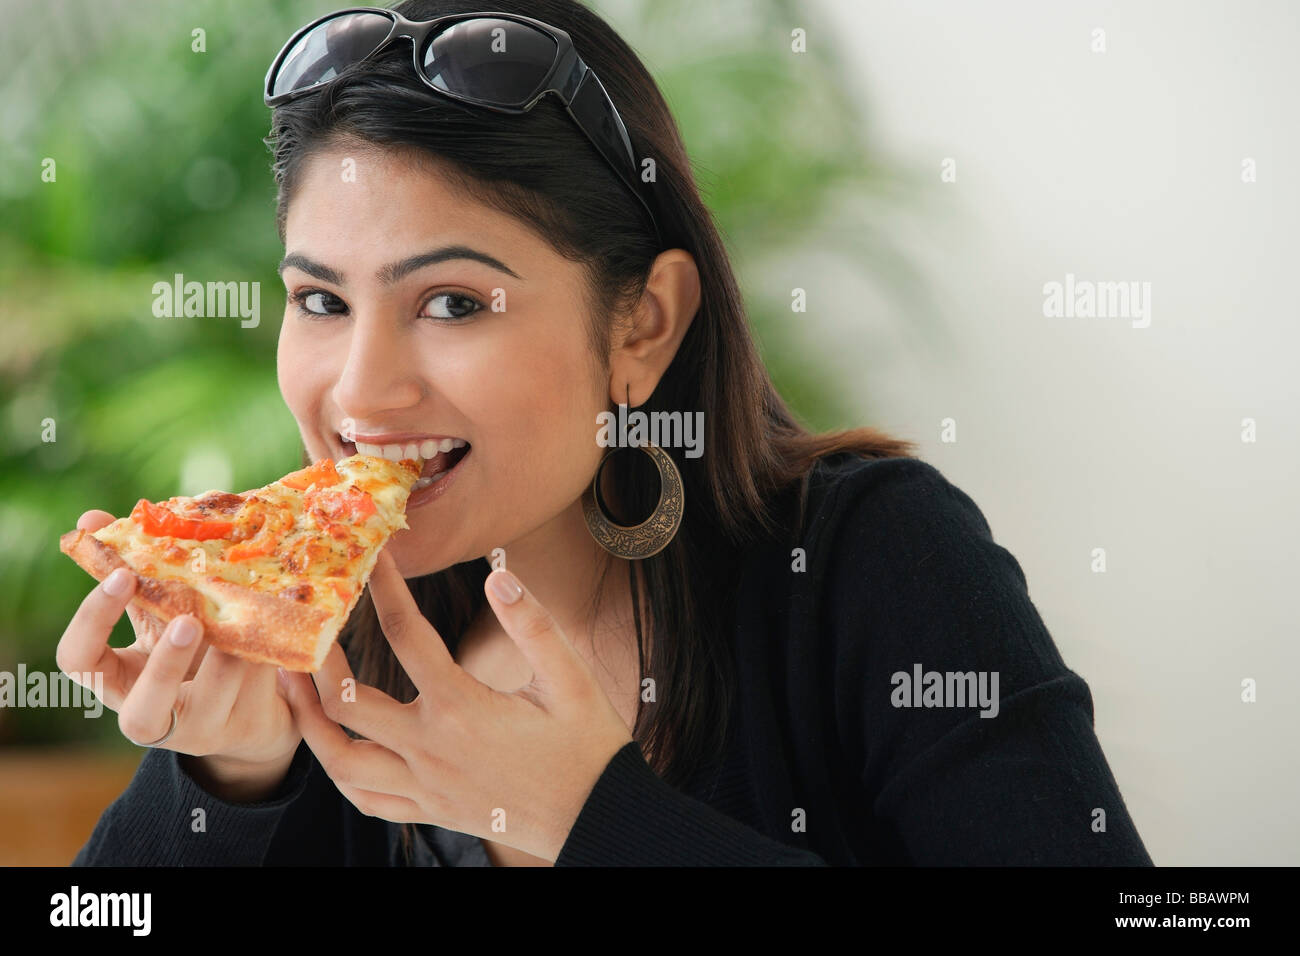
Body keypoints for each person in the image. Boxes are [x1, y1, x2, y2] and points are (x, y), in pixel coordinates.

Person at [62, 0, 1153, 866]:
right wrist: (221, 782)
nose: (361, 392)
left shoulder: (871, 557)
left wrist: (595, 818)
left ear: (644, 326)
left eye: (452, 302)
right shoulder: (321, 631)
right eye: (321, 300)